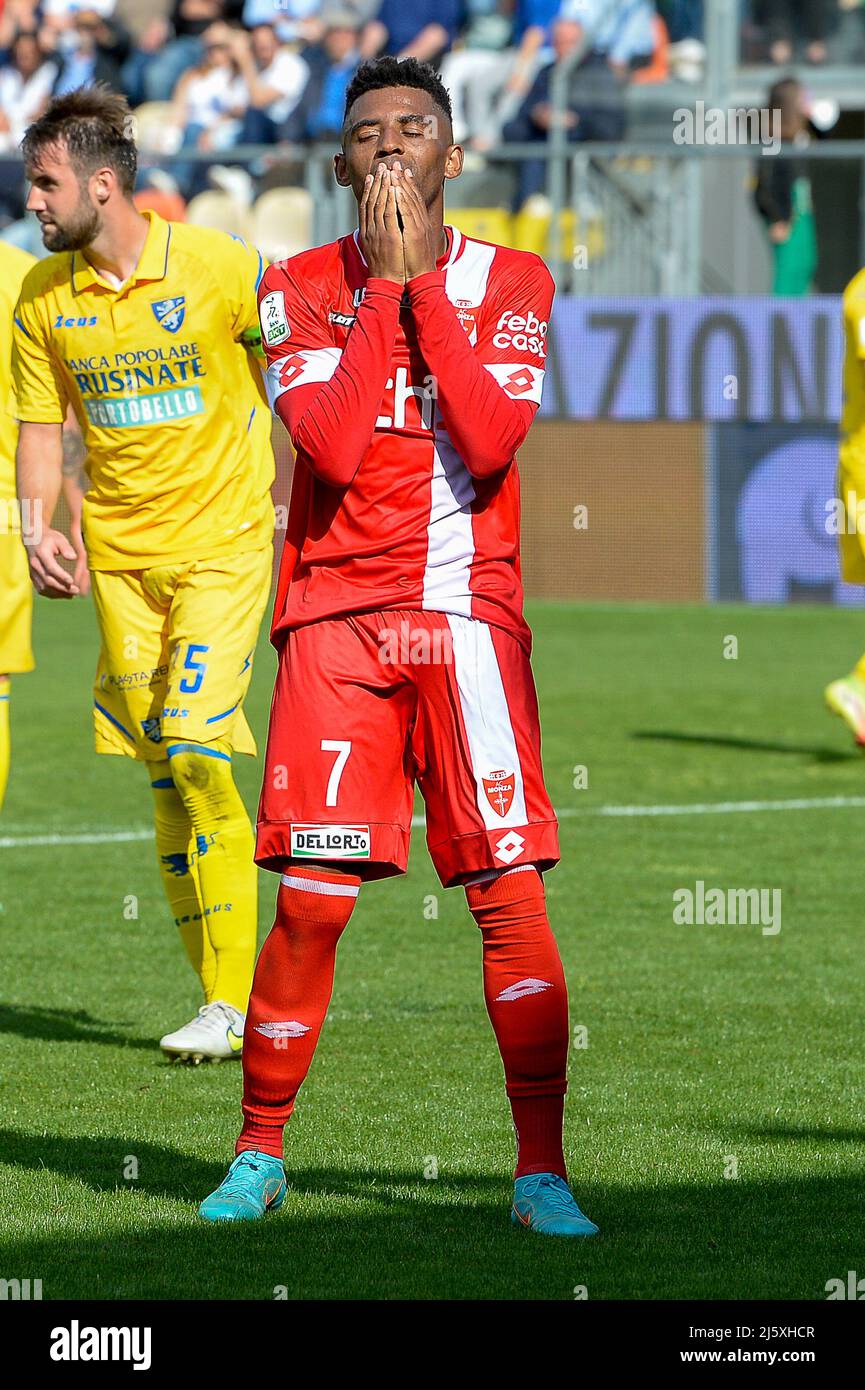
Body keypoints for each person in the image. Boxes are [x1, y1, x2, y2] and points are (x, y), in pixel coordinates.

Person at [199, 55, 599, 1239]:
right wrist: (381, 288)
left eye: (413, 130)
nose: (389, 150)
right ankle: (259, 1153)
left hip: (468, 613)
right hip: (334, 623)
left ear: (452, 156)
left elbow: (487, 432)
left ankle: (538, 1174)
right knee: (312, 905)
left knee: (508, 894)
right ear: (337, 164)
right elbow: (321, 447)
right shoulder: (294, 284)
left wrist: (420, 286)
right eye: (367, 133)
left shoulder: (513, 278)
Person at [12, 86, 275, 1061]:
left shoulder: (218, 268)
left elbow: (297, 371)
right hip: (122, 564)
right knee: (166, 774)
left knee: (200, 749)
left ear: (104, 184)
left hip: (225, 542)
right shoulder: (45, 302)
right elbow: (41, 430)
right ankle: (221, 1000)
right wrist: (35, 529)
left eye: (46, 183)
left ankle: (237, 1004)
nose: (33, 201)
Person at [502, 15, 627, 208]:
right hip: (541, 151)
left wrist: (573, 121)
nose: (564, 49)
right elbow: (514, 126)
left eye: (570, 43)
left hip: (585, 158)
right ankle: (528, 204)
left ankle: (537, 203)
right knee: (533, 146)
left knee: (548, 148)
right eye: (558, 43)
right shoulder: (547, 73)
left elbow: (611, 128)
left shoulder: (600, 74)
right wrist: (537, 116)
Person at [753, 76, 817, 297]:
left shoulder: (800, 135)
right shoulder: (772, 139)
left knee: (805, 264)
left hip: (801, 211)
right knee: (788, 272)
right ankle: (781, 325)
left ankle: (799, 321)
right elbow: (762, 185)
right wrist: (776, 218)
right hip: (785, 215)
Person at [0, 30, 58, 154]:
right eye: (20, 51)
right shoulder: (6, 73)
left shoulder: (49, 72)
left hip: (33, 131)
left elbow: (42, 112)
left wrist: (15, 123)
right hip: (5, 131)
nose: (24, 56)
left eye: (29, 52)